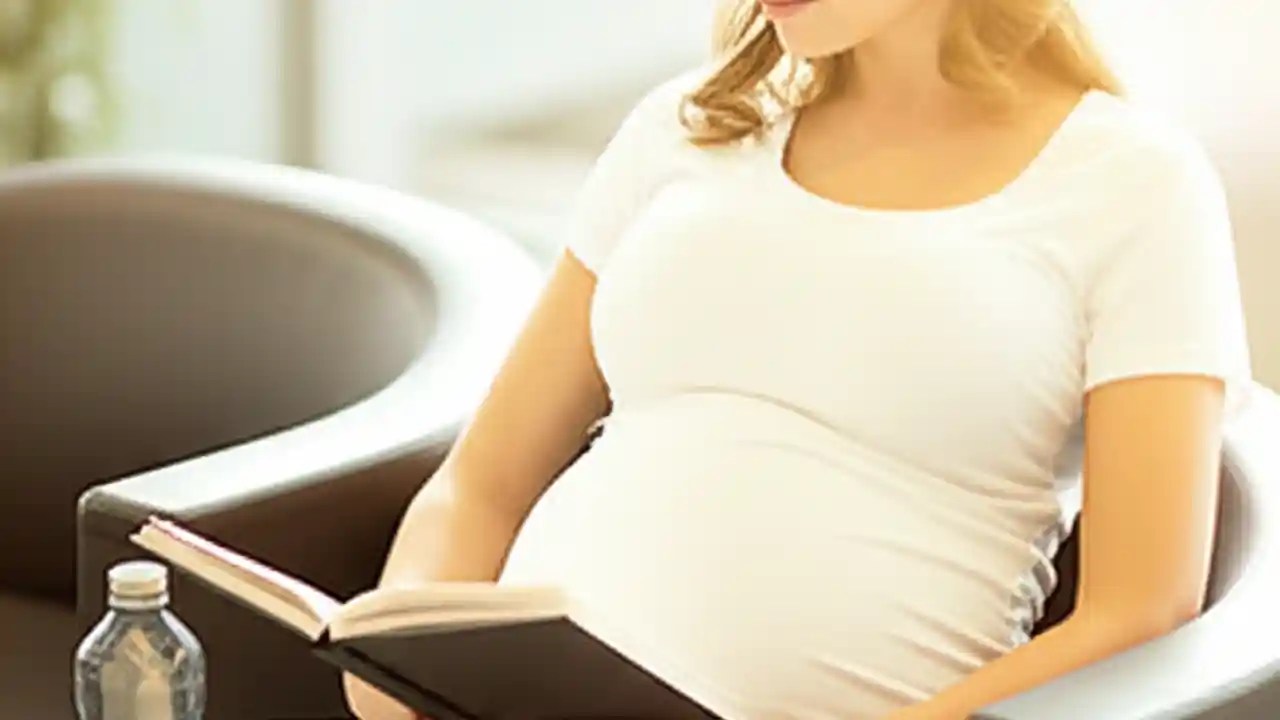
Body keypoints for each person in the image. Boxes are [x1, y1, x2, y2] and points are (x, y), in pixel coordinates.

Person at [346, 0, 1251, 717]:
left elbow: (1141, 609)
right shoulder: (684, 128)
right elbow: (481, 486)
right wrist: (391, 674)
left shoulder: (1133, 183)